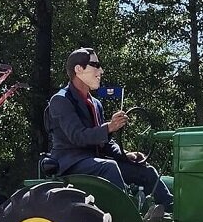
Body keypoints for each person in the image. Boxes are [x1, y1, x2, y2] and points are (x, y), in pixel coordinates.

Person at [46, 47, 174, 213]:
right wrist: (109, 127)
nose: (101, 70)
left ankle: (175, 214)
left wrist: (125, 154)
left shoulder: (95, 103)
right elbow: (77, 136)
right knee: (110, 166)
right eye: (95, 65)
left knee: (145, 170)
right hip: (71, 163)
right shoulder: (61, 100)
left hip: (95, 162)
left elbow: (105, 142)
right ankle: (134, 220)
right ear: (79, 69)